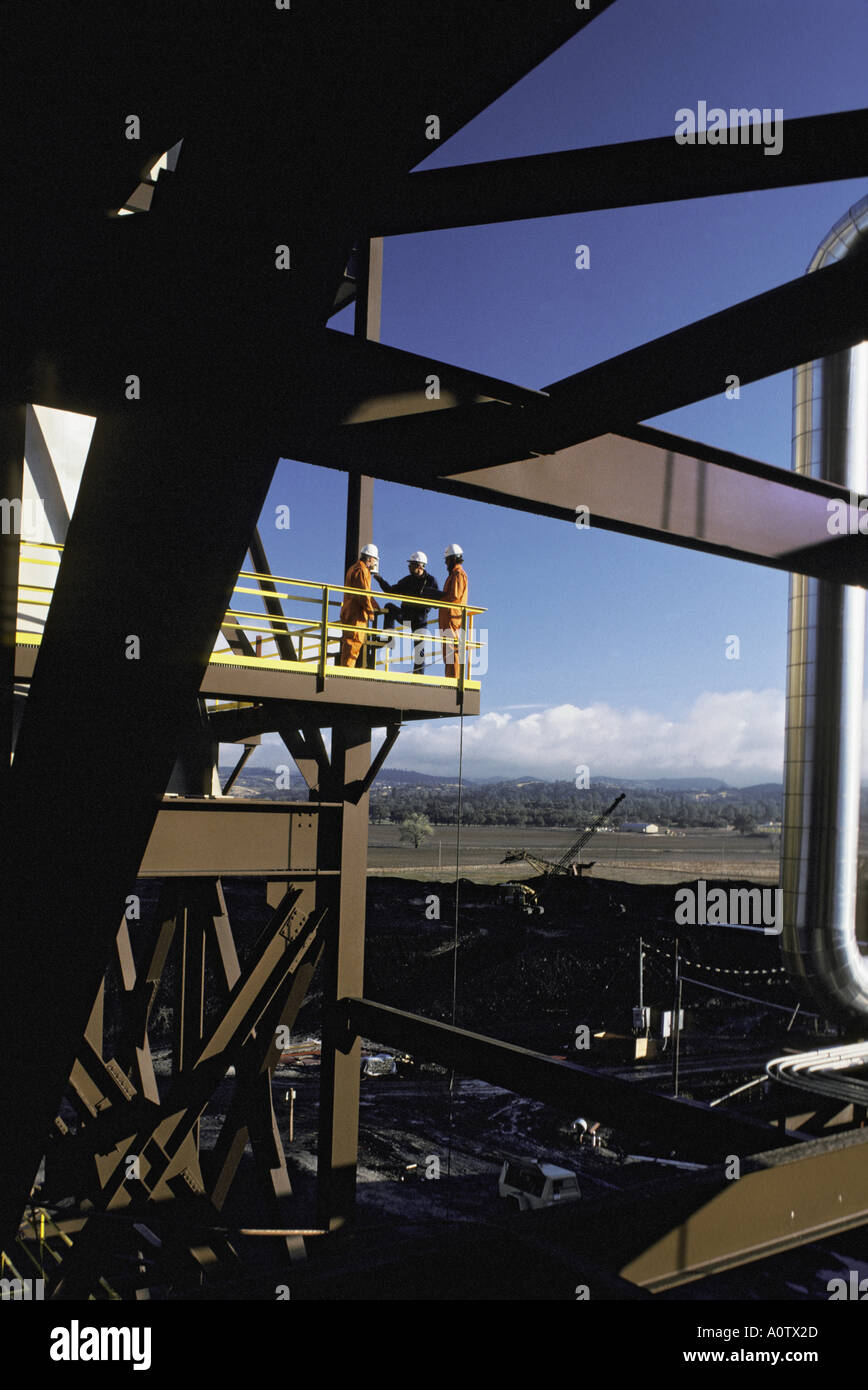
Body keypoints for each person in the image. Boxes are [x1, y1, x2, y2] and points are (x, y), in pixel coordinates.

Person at [372, 550, 442, 674]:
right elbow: (391, 591)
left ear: (420, 566)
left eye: (411, 565)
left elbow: (438, 601)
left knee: (419, 650)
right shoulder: (408, 580)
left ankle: (418, 677)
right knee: (389, 606)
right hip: (406, 616)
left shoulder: (431, 581)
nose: (409, 567)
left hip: (419, 620)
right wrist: (378, 578)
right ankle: (389, 637)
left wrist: (428, 602)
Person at [338, 543, 381, 667]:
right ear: (370, 558)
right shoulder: (362, 570)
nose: (375, 563)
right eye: (375, 560)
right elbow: (363, 593)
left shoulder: (355, 568)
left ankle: (346, 668)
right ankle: (347, 671)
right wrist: (370, 611)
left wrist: (375, 604)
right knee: (354, 642)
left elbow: (366, 592)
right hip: (356, 614)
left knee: (349, 643)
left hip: (350, 611)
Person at [438, 543, 468, 679]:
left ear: (453, 559)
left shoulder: (458, 574)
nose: (446, 564)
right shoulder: (453, 575)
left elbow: (454, 596)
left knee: (453, 651)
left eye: (447, 561)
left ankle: (454, 680)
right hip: (447, 618)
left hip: (452, 619)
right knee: (447, 653)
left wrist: (438, 597)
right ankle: (449, 680)